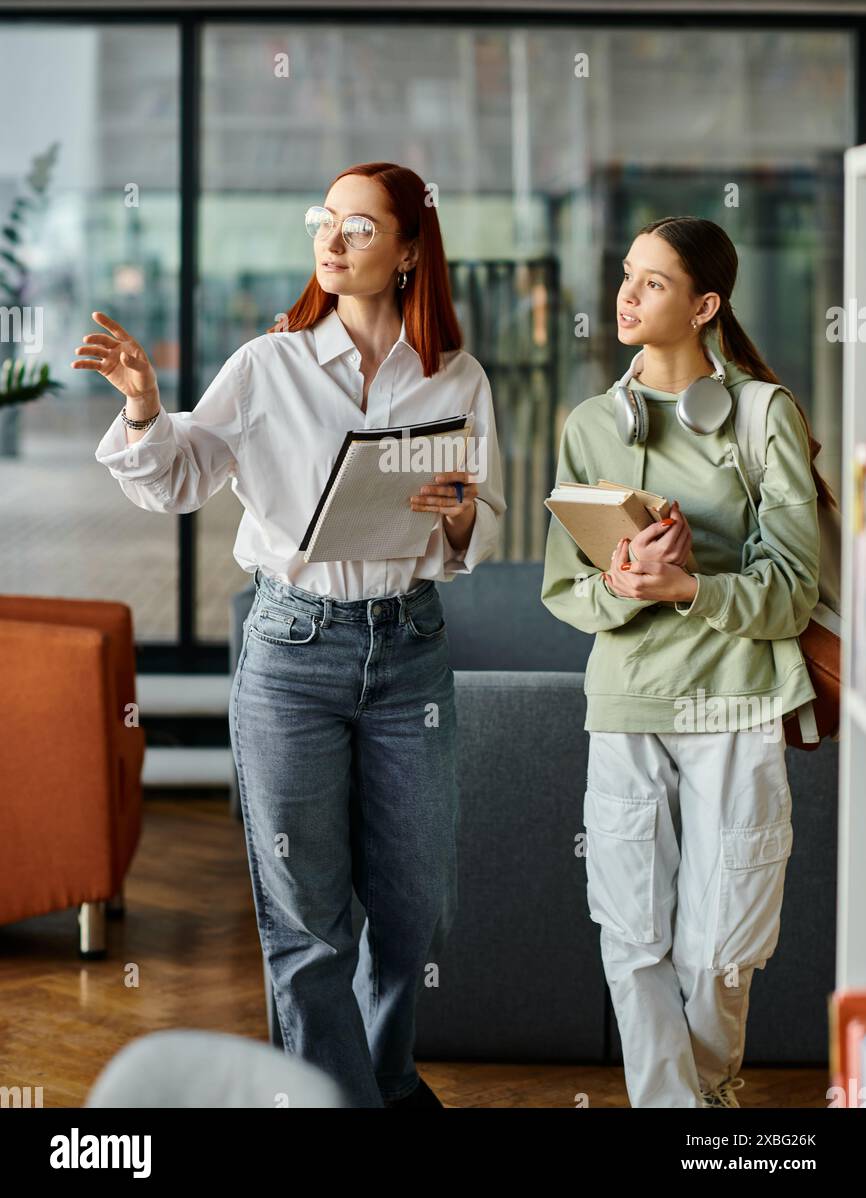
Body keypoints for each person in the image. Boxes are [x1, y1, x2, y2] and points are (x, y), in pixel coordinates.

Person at [81, 161, 506, 1109]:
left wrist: (458, 513)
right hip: (292, 656)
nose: (333, 237)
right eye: (326, 220)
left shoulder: (458, 378)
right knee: (307, 921)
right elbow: (178, 479)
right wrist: (147, 408)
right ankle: (338, 1104)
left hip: (410, 654)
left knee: (410, 916)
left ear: (407, 253)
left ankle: (382, 1083)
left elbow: (489, 529)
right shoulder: (268, 364)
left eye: (360, 226)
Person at [541, 216, 830, 1109]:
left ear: (704, 305)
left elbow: (788, 590)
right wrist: (625, 586)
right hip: (627, 706)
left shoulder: (762, 415)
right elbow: (564, 593)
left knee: (720, 948)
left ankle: (708, 1103)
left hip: (737, 706)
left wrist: (689, 590)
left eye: (654, 282)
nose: (626, 295)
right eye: (627, 275)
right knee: (632, 939)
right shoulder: (589, 425)